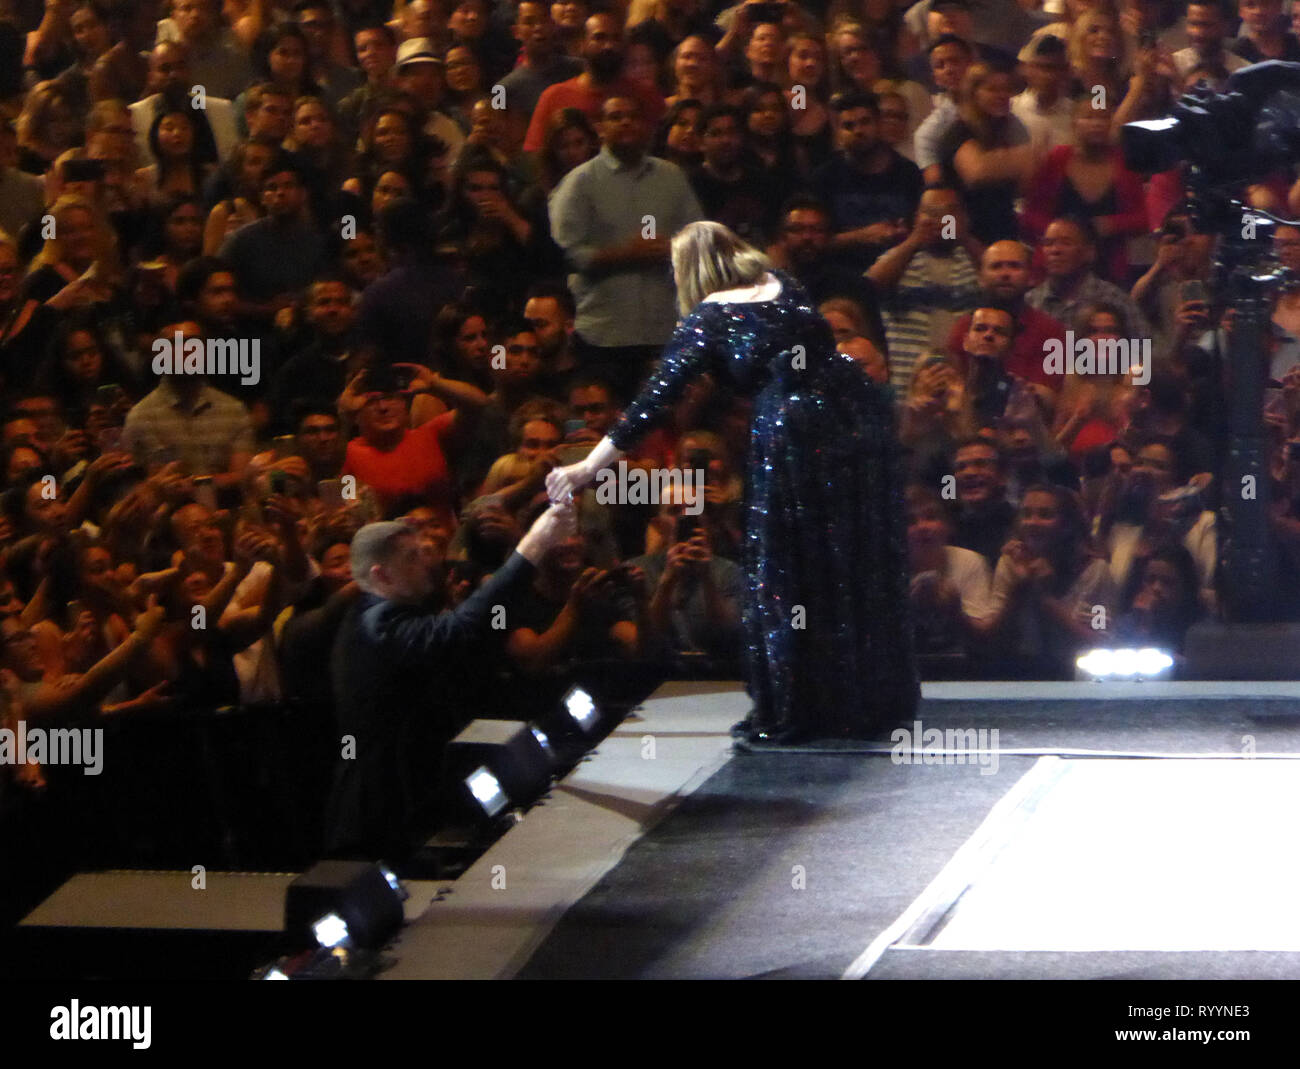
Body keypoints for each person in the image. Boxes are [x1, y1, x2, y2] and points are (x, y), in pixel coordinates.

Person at [546, 221, 918, 744]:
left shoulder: (709, 316)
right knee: (845, 558)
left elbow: (653, 402)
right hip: (856, 419)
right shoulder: (783, 285)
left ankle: (797, 709)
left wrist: (590, 466)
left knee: (785, 568)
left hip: (795, 433)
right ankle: (867, 700)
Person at [325, 500, 577, 860]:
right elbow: (460, 630)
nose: (427, 562)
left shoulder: (394, 614)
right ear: (381, 576)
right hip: (379, 814)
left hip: (410, 797)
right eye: (411, 558)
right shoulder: (378, 626)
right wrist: (533, 545)